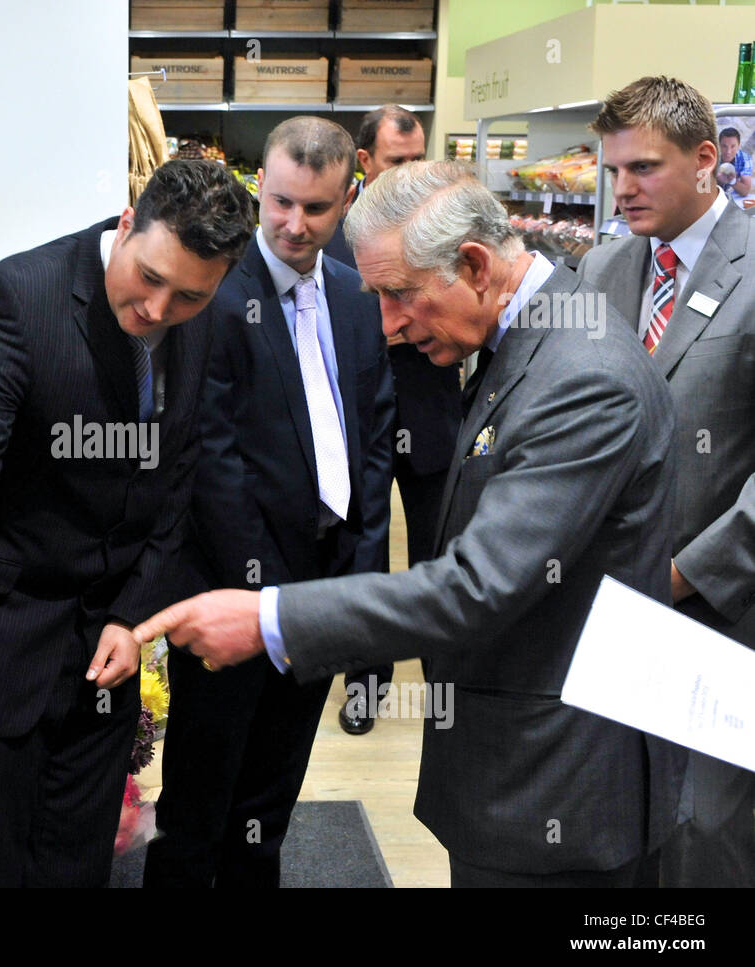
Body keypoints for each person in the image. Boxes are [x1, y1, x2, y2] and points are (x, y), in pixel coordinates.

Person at [133, 161, 687, 887]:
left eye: (399, 295)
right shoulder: (530, 343)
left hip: (559, 785)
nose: (388, 327)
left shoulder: (583, 379)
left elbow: (476, 586)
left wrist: (270, 619)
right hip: (520, 766)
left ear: (476, 264)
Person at [0, 160, 255, 887]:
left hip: (104, 665)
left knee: (76, 867)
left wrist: (134, 617)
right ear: (128, 224)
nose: (160, 309)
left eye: (190, 295)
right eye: (150, 278)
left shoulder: (207, 320)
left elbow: (175, 480)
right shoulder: (19, 298)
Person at [142, 118, 395, 887]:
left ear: (347, 197)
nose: (293, 224)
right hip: (231, 587)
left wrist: (359, 575)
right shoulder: (217, 293)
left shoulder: (355, 296)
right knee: (198, 799)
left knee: (272, 794)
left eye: (315, 209)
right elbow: (210, 456)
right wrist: (261, 597)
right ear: (262, 190)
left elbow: (375, 436)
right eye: (279, 202)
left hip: (321, 584)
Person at [578, 75, 755, 888]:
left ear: (707, 159)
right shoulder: (607, 266)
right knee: (619, 823)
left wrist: (687, 575)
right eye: (614, 170)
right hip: (614, 612)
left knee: (706, 840)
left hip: (722, 613)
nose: (623, 190)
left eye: (643, 168)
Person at [328, 105, 460, 735]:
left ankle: (446, 681)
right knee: (366, 550)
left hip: (432, 411)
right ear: (364, 161)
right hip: (358, 420)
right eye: (396, 161)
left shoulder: (445, 228)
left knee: (441, 551)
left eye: (418, 160)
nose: (411, 173)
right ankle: (365, 682)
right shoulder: (335, 231)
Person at [717, 125, 752, 200]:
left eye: (733, 146)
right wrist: (718, 181)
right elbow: (704, 190)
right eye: (724, 146)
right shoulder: (712, 157)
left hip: (734, 199)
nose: (728, 152)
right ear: (719, 145)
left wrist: (731, 180)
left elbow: (745, 191)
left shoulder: (745, 159)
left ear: (739, 146)